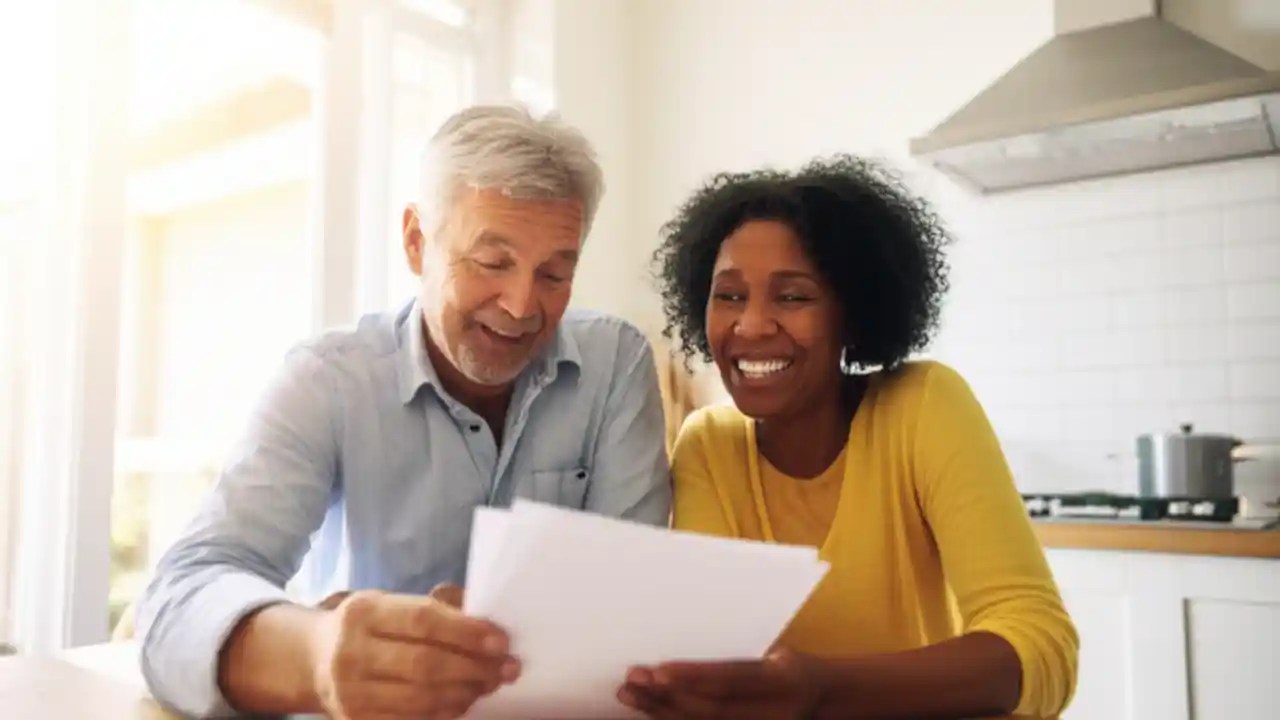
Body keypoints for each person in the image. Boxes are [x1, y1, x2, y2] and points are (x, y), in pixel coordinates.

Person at [136, 105, 672, 719]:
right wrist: (316, 656)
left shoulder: (616, 365)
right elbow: (180, 595)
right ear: (418, 242)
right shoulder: (329, 380)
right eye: (492, 263)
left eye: (553, 273)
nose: (523, 306)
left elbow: (634, 596)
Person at [619, 156, 1078, 719]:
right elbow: (716, 655)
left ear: (853, 317)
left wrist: (822, 690)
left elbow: (1041, 646)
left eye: (792, 297)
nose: (753, 325)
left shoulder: (923, 406)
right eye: (730, 295)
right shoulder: (708, 446)